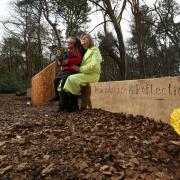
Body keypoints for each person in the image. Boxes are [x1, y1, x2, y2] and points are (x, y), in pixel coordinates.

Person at [59, 33, 102, 112]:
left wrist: (80, 69)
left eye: (85, 38)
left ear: (90, 40)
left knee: (71, 79)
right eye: (82, 38)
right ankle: (70, 105)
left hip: (93, 75)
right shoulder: (85, 51)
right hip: (86, 74)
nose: (83, 39)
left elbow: (95, 66)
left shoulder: (95, 50)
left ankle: (72, 106)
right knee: (65, 80)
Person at [49, 36, 85, 101]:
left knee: (63, 83)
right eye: (67, 42)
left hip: (71, 70)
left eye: (69, 42)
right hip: (64, 70)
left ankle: (65, 100)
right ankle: (57, 96)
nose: (67, 43)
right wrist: (59, 60)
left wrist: (68, 61)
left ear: (73, 43)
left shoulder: (76, 50)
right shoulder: (66, 52)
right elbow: (62, 62)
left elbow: (78, 60)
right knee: (56, 81)